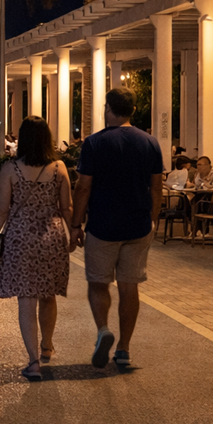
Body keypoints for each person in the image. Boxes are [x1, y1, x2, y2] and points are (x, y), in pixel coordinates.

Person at [69, 88, 164, 370]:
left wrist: (76, 224)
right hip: (138, 225)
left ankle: (102, 330)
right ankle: (123, 348)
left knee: (98, 283)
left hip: (103, 225)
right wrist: (153, 219)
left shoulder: (95, 143)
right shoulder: (150, 143)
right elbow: (156, 186)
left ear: (108, 108)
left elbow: (83, 185)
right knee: (129, 286)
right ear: (133, 110)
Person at [0, 116, 74, 382]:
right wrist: (74, 233)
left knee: (27, 299)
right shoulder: (59, 168)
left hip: (20, 239)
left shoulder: (10, 169)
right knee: (48, 295)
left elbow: (3, 208)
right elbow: (67, 206)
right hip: (51, 236)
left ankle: (33, 361)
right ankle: (47, 345)